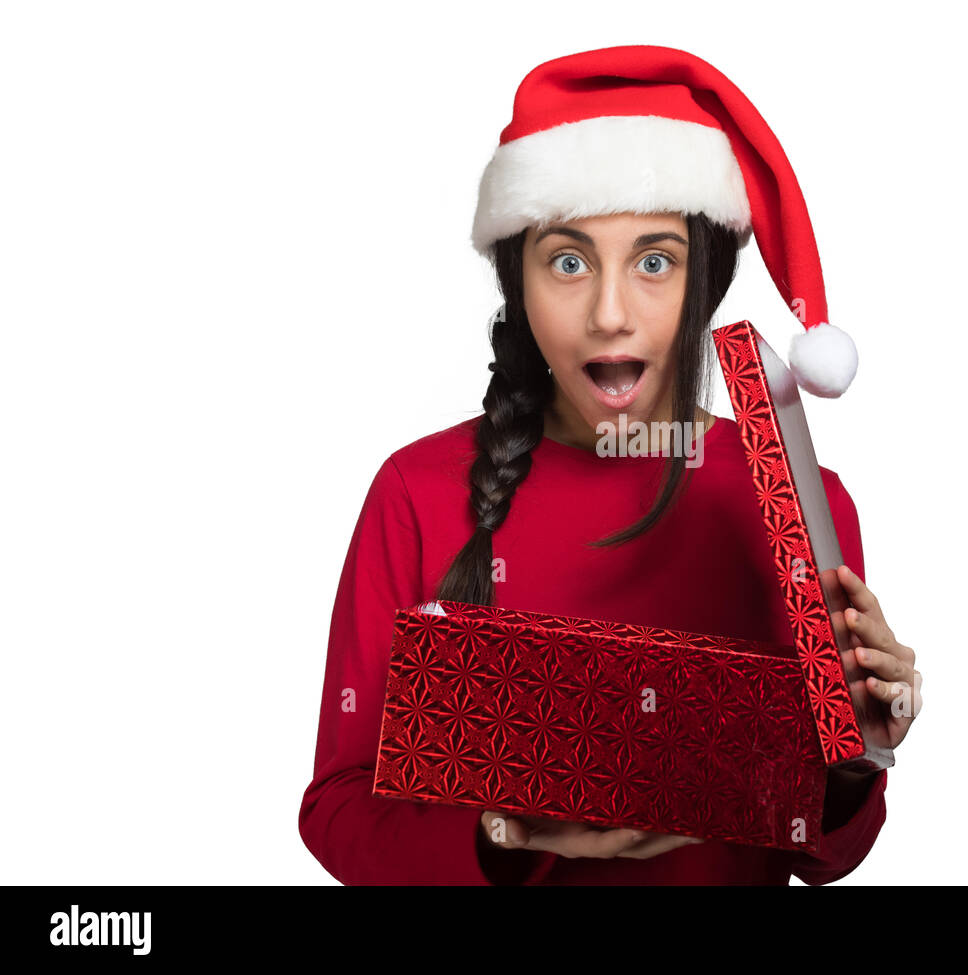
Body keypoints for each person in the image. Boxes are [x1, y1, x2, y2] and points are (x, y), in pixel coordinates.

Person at [297, 44, 922, 885]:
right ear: (516, 281)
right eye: (567, 260)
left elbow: (829, 851)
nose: (610, 313)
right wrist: (504, 836)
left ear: (710, 275)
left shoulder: (798, 502)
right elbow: (338, 804)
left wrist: (857, 750)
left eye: (655, 261)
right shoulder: (416, 492)